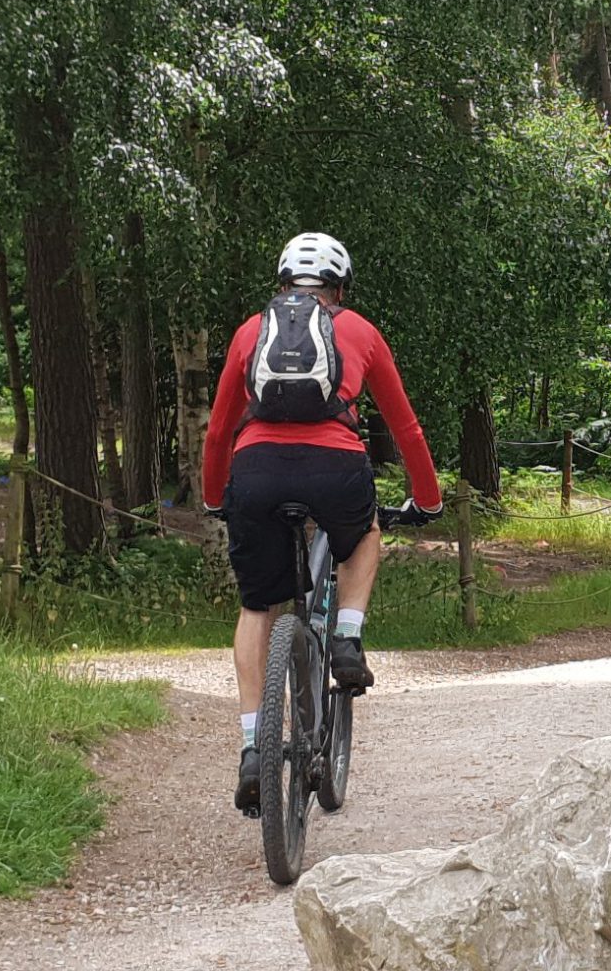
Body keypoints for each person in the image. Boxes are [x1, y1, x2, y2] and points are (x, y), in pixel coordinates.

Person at [201, 232, 445, 814]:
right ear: (340, 288)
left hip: (255, 470)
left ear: (283, 284)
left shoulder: (248, 332)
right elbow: (405, 429)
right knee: (362, 537)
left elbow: (217, 432)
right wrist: (428, 500)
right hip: (335, 466)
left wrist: (217, 499)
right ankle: (347, 639)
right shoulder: (358, 330)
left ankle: (252, 747)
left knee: (258, 608)